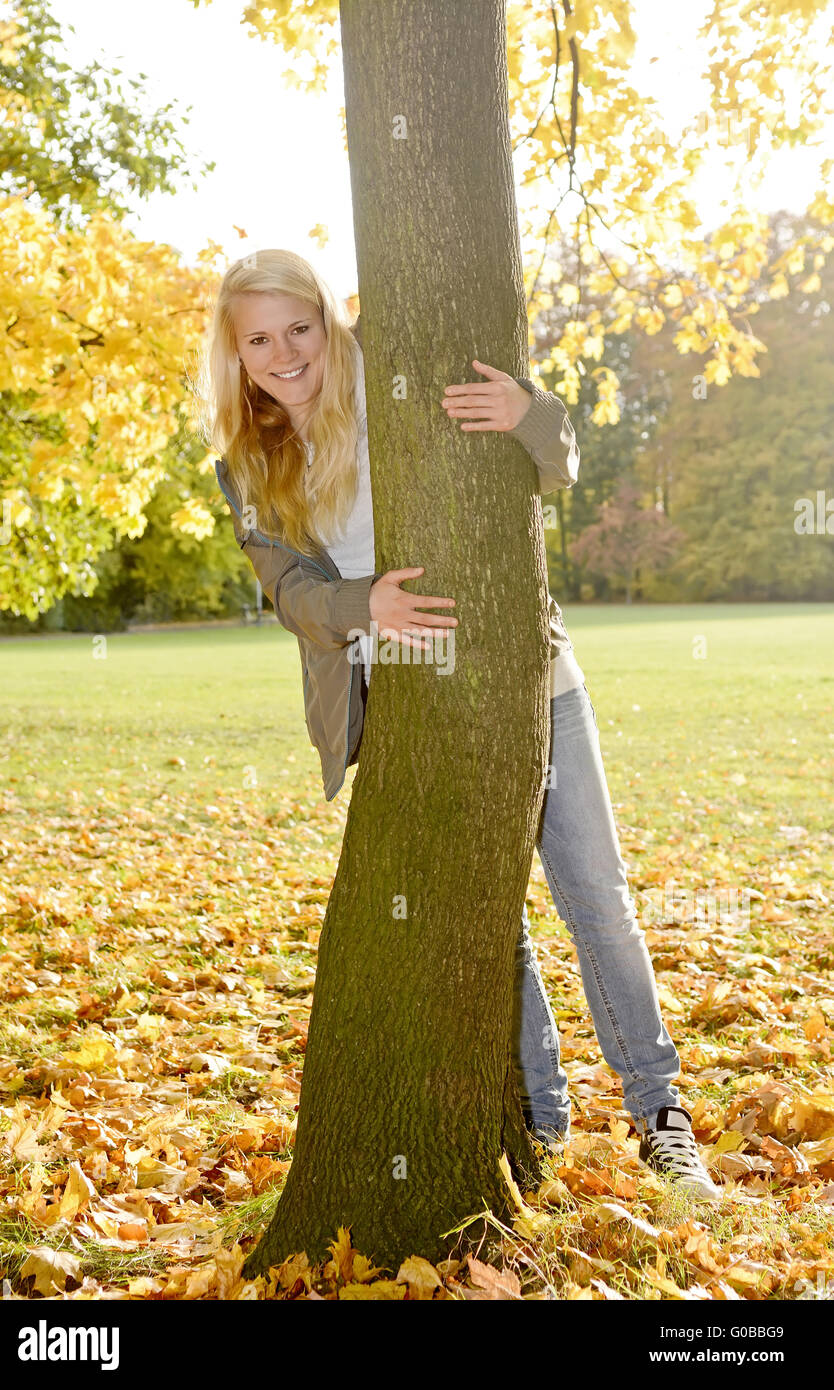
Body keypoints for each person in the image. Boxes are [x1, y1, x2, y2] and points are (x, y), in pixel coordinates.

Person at [199, 248, 719, 1201]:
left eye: (300, 327)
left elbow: (557, 461)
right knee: (491, 920)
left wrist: (532, 416)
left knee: (596, 897)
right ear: (237, 354)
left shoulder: (400, 383)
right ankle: (540, 1118)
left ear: (327, 320)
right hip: (407, 704)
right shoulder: (247, 462)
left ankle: (660, 1113)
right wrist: (368, 606)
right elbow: (294, 598)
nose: (286, 353)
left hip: (533, 677)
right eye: (260, 339)